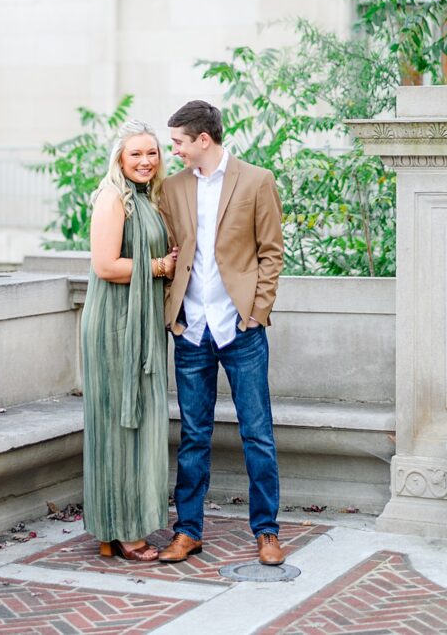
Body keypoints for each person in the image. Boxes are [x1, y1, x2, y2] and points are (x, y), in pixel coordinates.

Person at [157, 99, 286, 567]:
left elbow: (271, 253)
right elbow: (169, 249)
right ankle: (188, 531)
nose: (174, 152)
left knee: (257, 433)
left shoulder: (256, 181)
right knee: (193, 435)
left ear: (202, 140)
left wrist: (256, 311)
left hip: (241, 330)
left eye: (178, 143)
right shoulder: (171, 189)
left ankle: (267, 531)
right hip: (190, 330)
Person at [80, 119, 177, 562]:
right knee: (121, 423)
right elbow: (105, 266)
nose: (145, 161)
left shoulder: (149, 199)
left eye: (152, 153)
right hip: (115, 325)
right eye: (136, 153)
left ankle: (125, 522)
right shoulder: (113, 199)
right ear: (120, 157)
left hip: (144, 323)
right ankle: (118, 528)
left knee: (141, 422)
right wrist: (161, 267)